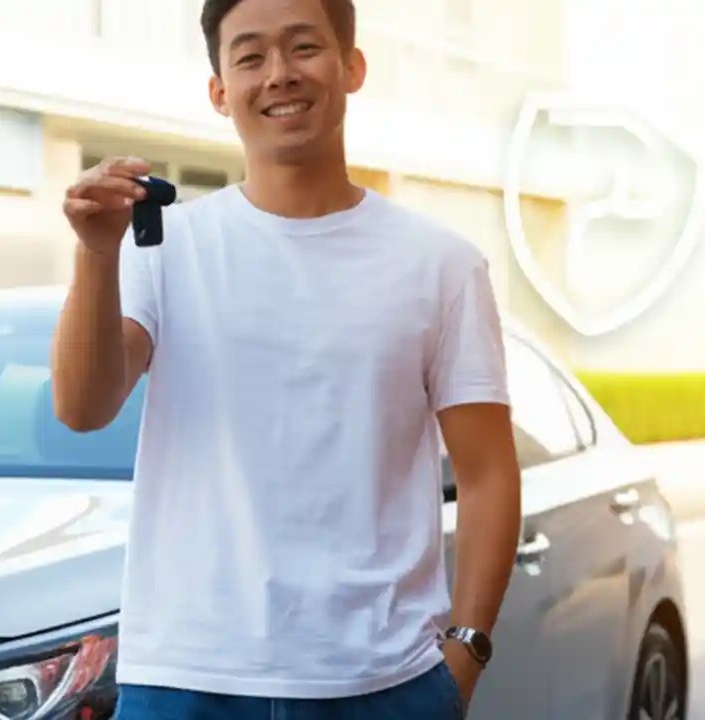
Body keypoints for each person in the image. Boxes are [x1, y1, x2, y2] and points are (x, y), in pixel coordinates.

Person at [51, 0, 522, 717]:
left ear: (352, 66)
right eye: (249, 56)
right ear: (218, 90)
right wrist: (95, 253)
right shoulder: (164, 248)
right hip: (187, 677)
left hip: (382, 681)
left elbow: (488, 472)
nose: (279, 75)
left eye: (304, 48)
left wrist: (465, 654)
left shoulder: (441, 265)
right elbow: (83, 409)